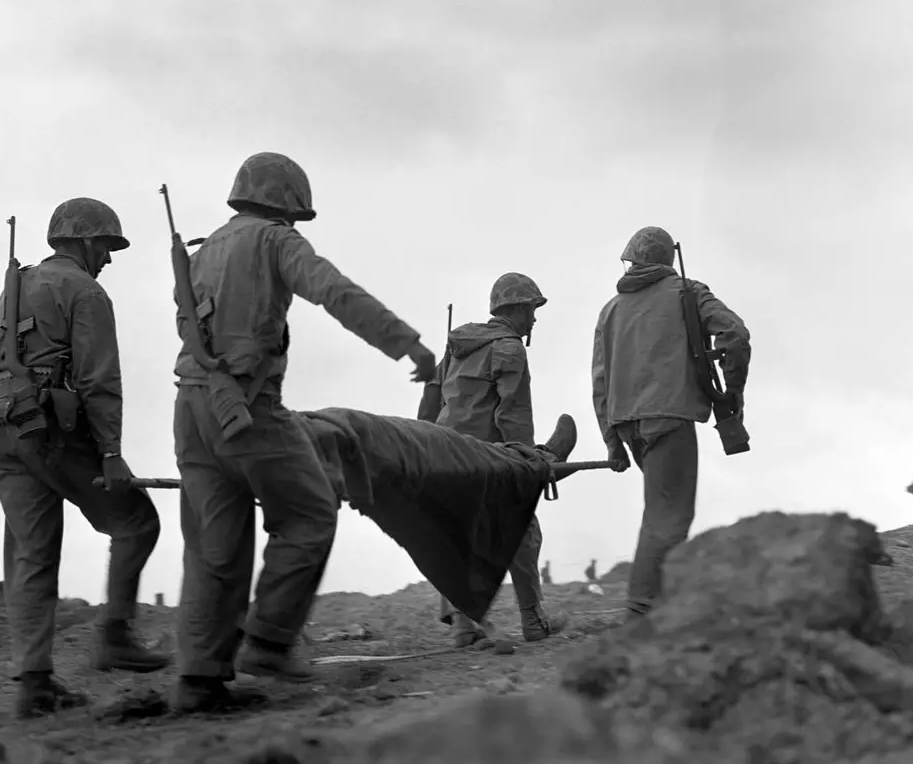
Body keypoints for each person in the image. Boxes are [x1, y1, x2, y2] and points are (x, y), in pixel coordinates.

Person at [171, 151, 438, 714]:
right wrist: (404, 342)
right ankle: (268, 641)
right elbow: (331, 290)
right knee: (312, 512)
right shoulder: (274, 240)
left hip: (192, 410)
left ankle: (198, 678)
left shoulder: (204, 251)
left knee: (212, 548)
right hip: (249, 408)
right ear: (287, 204)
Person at [0, 198, 170, 720]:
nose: (109, 256)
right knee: (137, 521)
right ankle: (116, 638)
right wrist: (111, 454)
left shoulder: (12, 292)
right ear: (81, 242)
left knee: (31, 553)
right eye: (105, 244)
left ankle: (34, 682)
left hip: (4, 432)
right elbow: (100, 379)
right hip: (50, 432)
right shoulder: (86, 291)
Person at [591, 226, 751, 620]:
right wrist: (731, 394)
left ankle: (665, 600)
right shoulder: (688, 292)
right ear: (666, 258)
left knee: (661, 510)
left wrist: (611, 439)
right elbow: (736, 335)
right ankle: (643, 607)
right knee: (669, 515)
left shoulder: (610, 310)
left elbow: (600, 379)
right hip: (669, 419)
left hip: (627, 424)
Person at [419, 272, 574, 647]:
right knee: (523, 533)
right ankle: (533, 621)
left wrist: (423, 448)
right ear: (518, 309)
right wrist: (526, 460)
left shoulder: (457, 346)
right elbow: (512, 413)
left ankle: (462, 627)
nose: (535, 319)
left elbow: (431, 402)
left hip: (444, 452)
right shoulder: (509, 348)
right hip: (486, 457)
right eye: (532, 310)